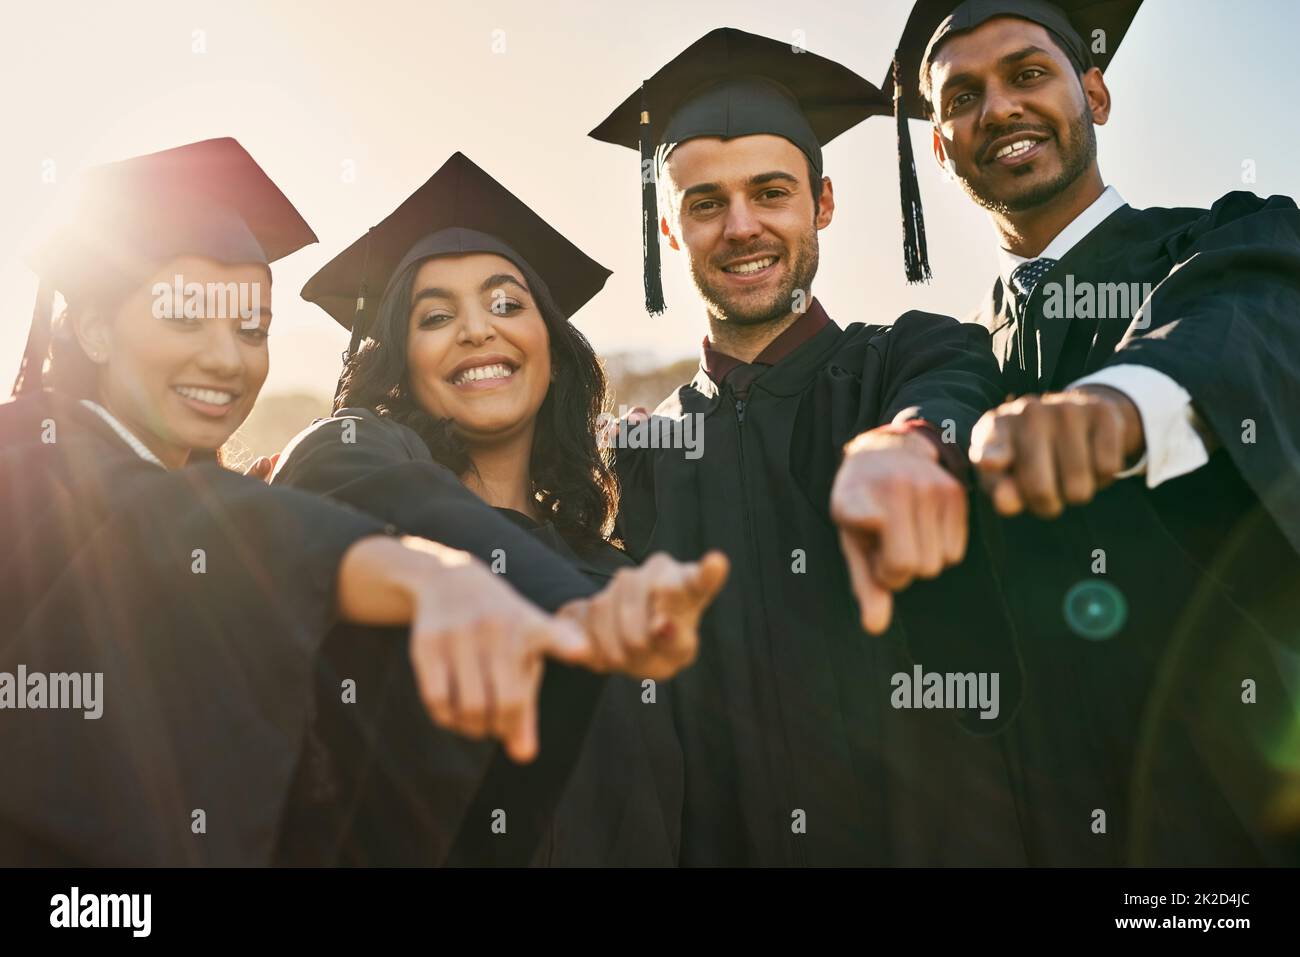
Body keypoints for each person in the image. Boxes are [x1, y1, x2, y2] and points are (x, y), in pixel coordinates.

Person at [0, 138, 618, 866]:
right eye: (185, 318)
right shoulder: (31, 462)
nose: (227, 358)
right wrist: (413, 569)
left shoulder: (207, 493)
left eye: (250, 328)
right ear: (94, 327)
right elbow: (154, 517)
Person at [588, 27, 1024, 865]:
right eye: (705, 203)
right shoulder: (641, 452)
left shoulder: (912, 356)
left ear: (822, 204)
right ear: (671, 231)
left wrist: (912, 448)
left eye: (771, 192)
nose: (741, 226)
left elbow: (950, 404)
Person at [892, 0, 1300, 863]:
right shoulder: (952, 357)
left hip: (1242, 805)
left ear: (1096, 94)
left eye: (1028, 73)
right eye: (960, 97)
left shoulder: (1221, 242)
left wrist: (1123, 403)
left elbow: (1243, 323)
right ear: (938, 143)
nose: (996, 107)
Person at [271, 152, 728, 865]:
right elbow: (331, 462)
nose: (478, 329)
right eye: (435, 315)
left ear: (551, 345)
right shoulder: (370, 527)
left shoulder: (614, 577)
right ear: (402, 359)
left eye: (507, 302)